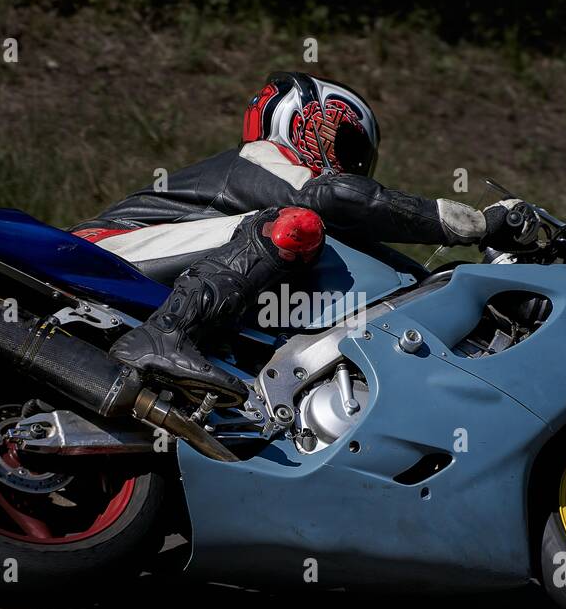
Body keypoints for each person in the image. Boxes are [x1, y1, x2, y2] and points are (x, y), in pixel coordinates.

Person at [71, 71, 530, 402]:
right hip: (107, 248)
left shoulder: (264, 188)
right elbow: (338, 196)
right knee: (296, 225)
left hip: (139, 264)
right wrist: (477, 225)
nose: (350, 165)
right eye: (347, 145)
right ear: (303, 117)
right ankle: (165, 336)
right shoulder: (260, 158)